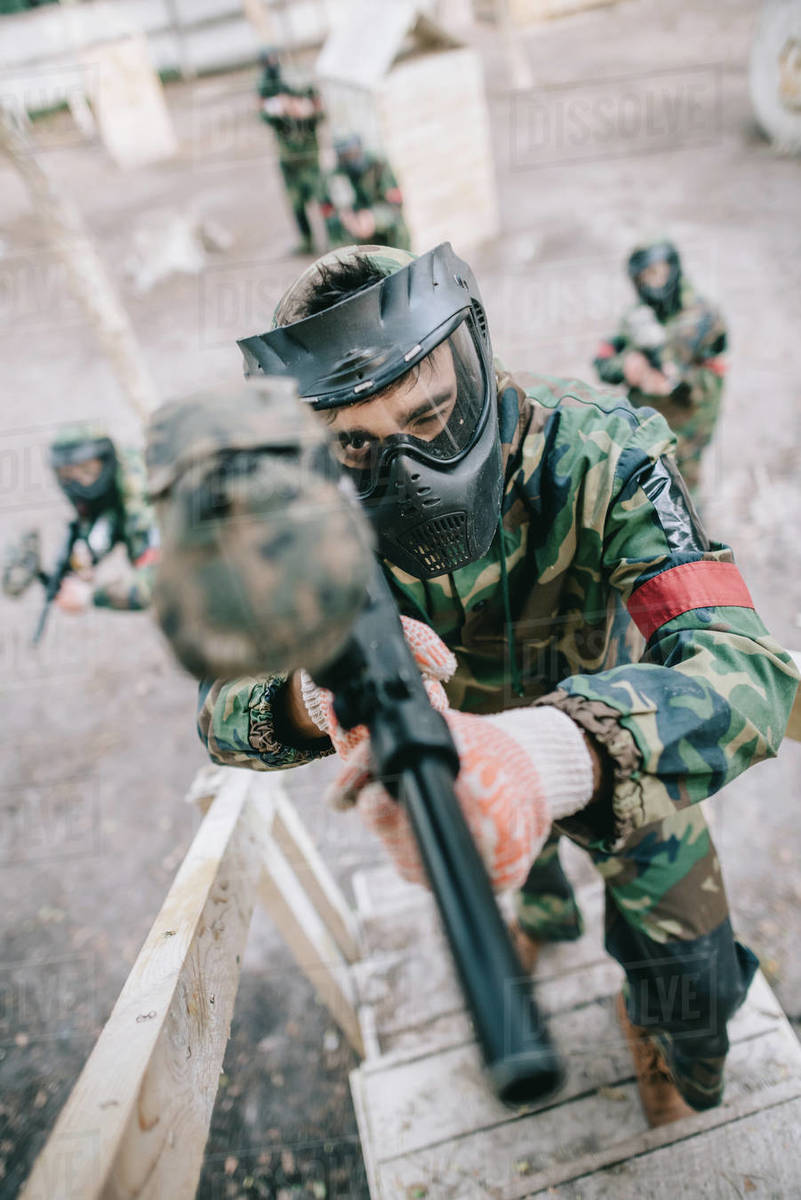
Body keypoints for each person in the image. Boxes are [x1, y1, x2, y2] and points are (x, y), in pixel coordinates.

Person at [200, 243, 797, 1127]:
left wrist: (554, 752)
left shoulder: (600, 448)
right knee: (534, 885)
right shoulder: (296, 521)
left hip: (618, 740)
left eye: (433, 413)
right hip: (462, 765)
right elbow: (221, 715)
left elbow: (746, 666)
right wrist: (310, 694)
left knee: (695, 985)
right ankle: (548, 921)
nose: (406, 468)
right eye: (356, 446)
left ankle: (667, 1046)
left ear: (474, 358)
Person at [593, 240, 727, 498]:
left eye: (657, 273)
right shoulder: (638, 316)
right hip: (644, 430)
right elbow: (602, 360)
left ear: (673, 269)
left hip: (688, 431)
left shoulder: (703, 317)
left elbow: (692, 380)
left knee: (685, 504)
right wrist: (628, 367)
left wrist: (659, 377)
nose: (651, 284)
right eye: (643, 278)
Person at [2, 423, 158, 615]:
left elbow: (162, 584)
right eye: (68, 475)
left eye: (87, 470)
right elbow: (102, 530)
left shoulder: (140, 496)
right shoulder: (119, 476)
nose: (79, 484)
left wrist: (91, 596)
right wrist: (80, 561)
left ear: (105, 460)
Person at [258, 48, 325, 255]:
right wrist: (279, 109)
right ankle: (307, 241)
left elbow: (320, 114)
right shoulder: (268, 89)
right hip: (288, 159)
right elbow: (264, 115)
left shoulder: (306, 92)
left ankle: (336, 238)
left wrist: (304, 111)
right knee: (296, 204)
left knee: (322, 199)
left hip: (309, 158)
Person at [321, 134, 410, 251]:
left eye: (352, 153)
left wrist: (373, 218)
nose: (349, 158)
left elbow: (396, 204)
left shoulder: (379, 164)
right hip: (353, 223)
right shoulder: (336, 175)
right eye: (344, 156)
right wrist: (348, 219)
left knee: (399, 227)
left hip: (380, 217)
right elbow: (329, 211)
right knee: (335, 228)